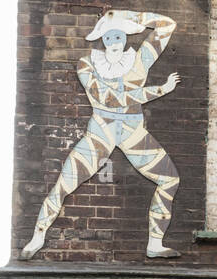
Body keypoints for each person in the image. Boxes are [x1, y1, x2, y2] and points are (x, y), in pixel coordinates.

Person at [20, 9, 181, 260]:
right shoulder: (86, 64)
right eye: (109, 37)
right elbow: (109, 99)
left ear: (126, 37)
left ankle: (155, 243)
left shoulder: (139, 60)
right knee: (65, 183)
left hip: (132, 133)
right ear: (102, 40)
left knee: (169, 178)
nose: (114, 42)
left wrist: (128, 16)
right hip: (100, 134)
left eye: (119, 35)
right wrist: (159, 90)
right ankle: (38, 237)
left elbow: (167, 24)